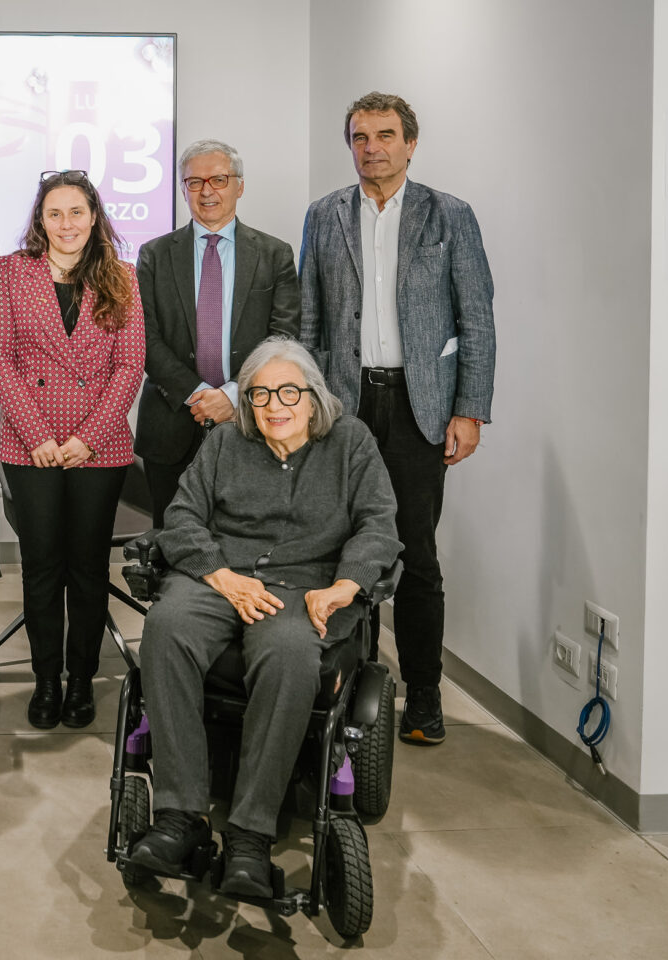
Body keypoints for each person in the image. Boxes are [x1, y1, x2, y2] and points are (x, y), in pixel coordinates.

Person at [130, 337, 400, 898]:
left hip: (306, 588)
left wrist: (344, 587)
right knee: (166, 625)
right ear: (248, 402)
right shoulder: (227, 441)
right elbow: (180, 516)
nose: (275, 405)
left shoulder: (351, 442)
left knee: (290, 652)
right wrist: (221, 576)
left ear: (313, 396)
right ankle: (180, 815)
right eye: (260, 395)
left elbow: (379, 526)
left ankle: (250, 834)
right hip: (222, 576)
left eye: (289, 392)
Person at [299, 91, 496, 746]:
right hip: (343, 406)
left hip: (420, 406)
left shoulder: (450, 217)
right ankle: (354, 683)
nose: (372, 148)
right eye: (360, 136)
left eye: (386, 135)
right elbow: (309, 319)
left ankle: (425, 696)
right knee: (339, 546)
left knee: (415, 553)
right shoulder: (324, 216)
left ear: (411, 143)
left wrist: (469, 409)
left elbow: (476, 320)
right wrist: (303, 404)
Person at [0, 170, 146, 730]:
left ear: (94, 216)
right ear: (40, 220)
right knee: (41, 566)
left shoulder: (122, 277)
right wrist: (41, 438)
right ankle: (46, 679)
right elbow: (0, 360)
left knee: (88, 567)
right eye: (55, 213)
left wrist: (83, 440)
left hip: (98, 448)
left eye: (77, 212)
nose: (67, 223)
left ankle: (82, 680)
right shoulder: (11, 271)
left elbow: (129, 366)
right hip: (31, 447)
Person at [135, 139, 300, 527]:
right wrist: (197, 395)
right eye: (194, 182)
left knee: (245, 542)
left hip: (250, 419)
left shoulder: (274, 254)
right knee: (172, 541)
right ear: (182, 189)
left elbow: (283, 339)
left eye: (219, 180)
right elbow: (144, 338)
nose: (207, 190)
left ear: (239, 186)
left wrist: (232, 395)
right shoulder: (154, 255)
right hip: (172, 422)